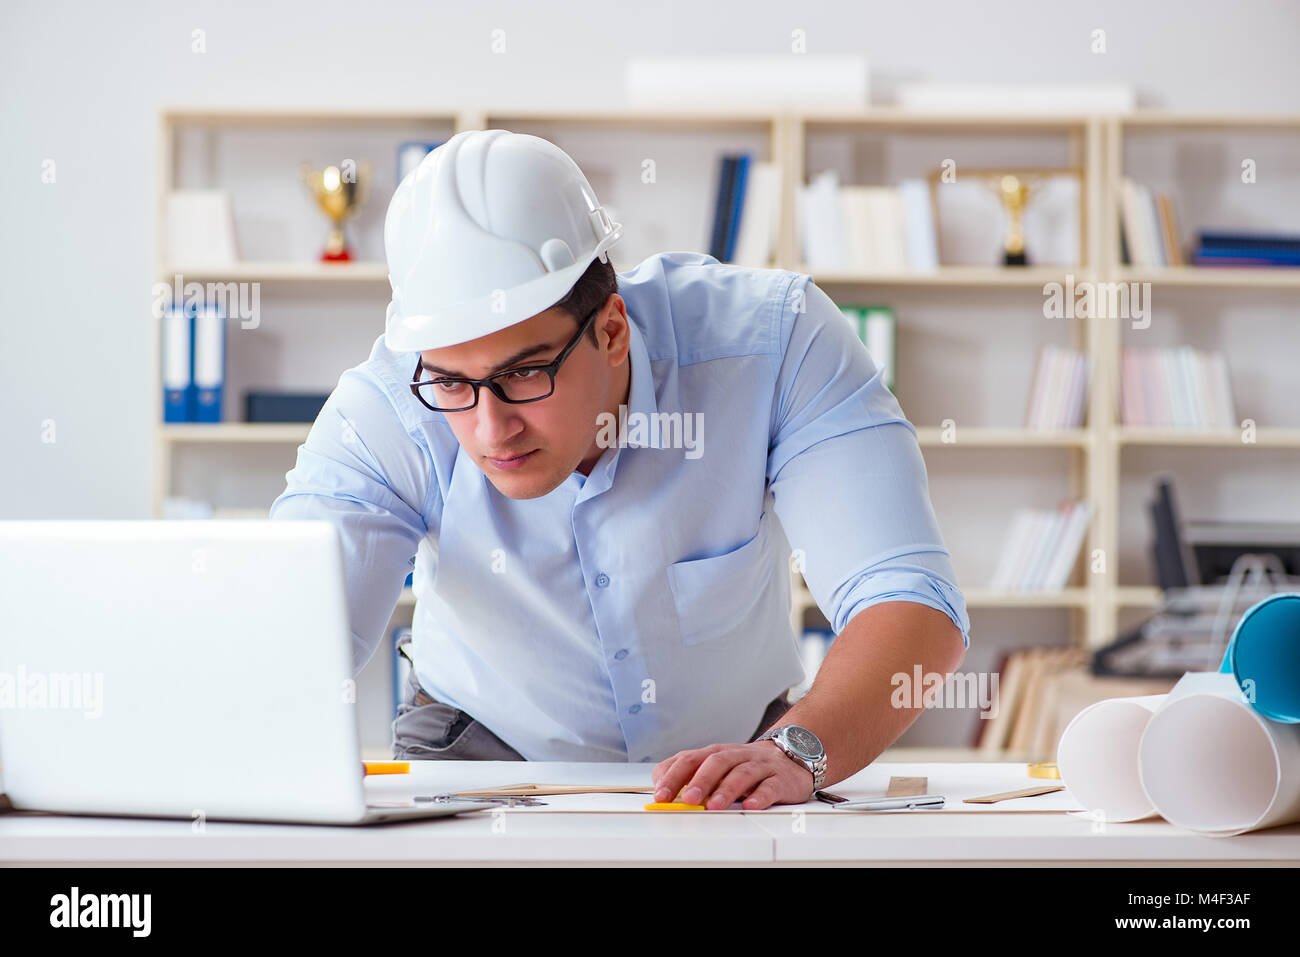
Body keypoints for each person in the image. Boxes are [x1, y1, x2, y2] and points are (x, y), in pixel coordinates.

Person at [269, 129, 969, 811]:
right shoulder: (387, 405)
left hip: (746, 758)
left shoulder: (776, 342)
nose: (490, 428)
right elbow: (289, 630)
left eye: (525, 372)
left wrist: (797, 753)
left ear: (611, 330)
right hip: (477, 747)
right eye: (452, 383)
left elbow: (909, 598)